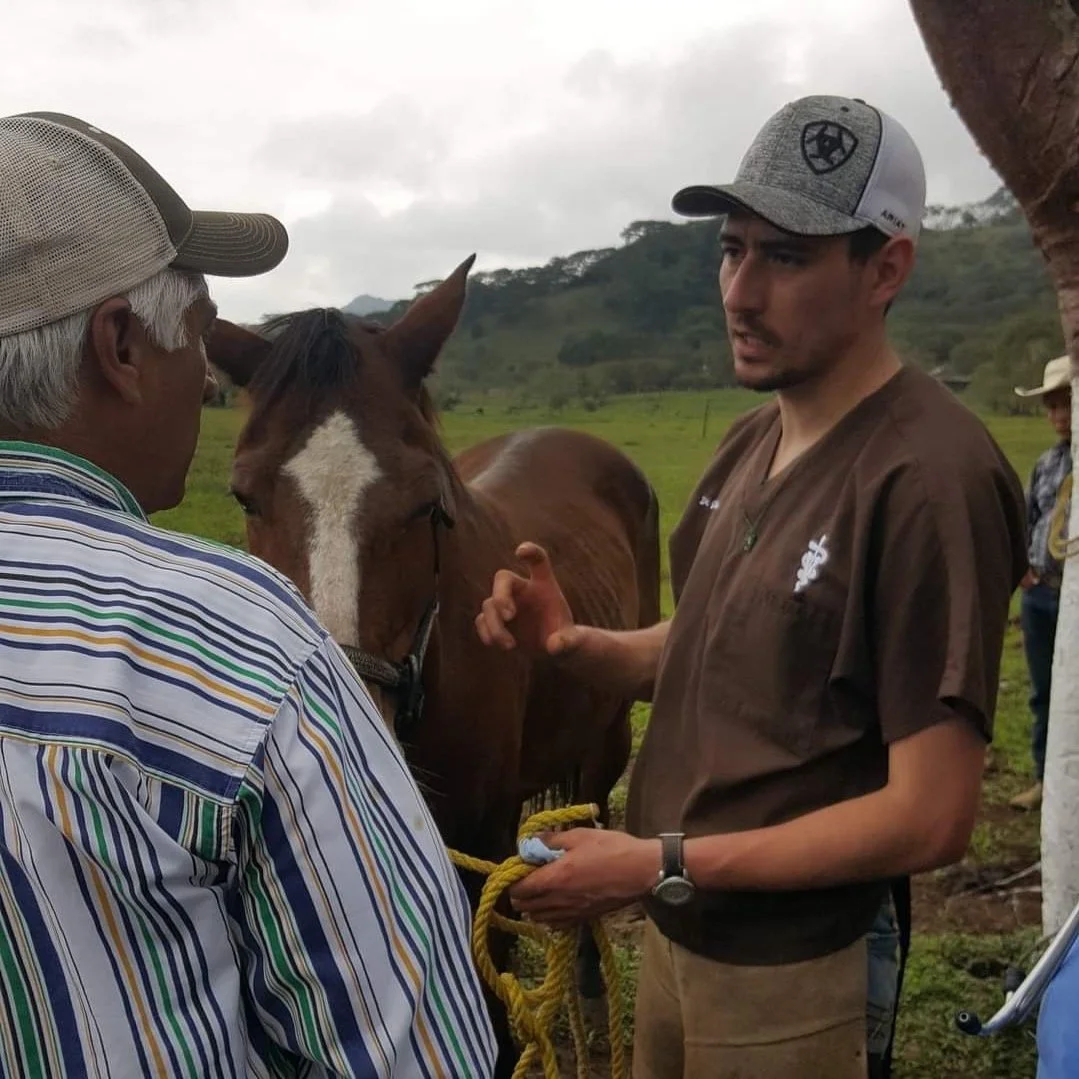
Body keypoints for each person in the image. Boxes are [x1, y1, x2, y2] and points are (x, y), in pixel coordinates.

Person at [475, 95, 1028, 1079]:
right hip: (683, 933)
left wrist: (653, 862)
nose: (738, 289)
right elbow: (723, 639)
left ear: (884, 268)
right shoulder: (751, 439)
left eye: (784, 256)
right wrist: (579, 646)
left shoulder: (924, 476)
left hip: (795, 969)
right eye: (730, 250)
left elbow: (930, 814)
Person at [0, 111, 495, 1077]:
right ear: (121, 348)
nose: (207, 375)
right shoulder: (243, 642)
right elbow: (410, 1053)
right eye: (195, 327)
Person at [1011, 355, 1072, 811]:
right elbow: (1029, 517)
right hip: (1042, 596)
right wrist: (1025, 572)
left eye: (1066, 404)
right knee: (1045, 693)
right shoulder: (1047, 463)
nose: (1058, 416)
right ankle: (1046, 781)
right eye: (1051, 407)